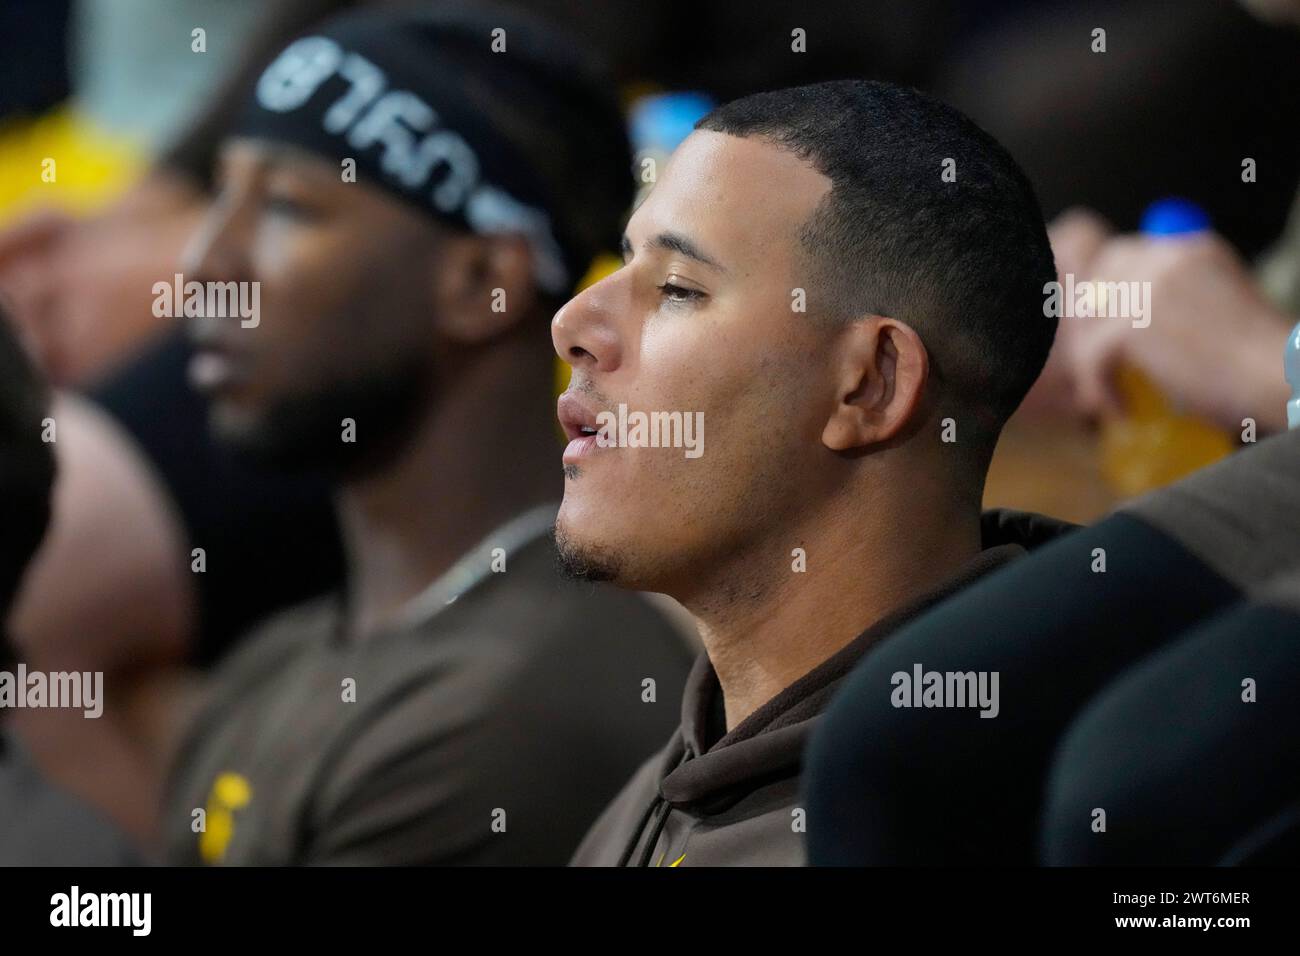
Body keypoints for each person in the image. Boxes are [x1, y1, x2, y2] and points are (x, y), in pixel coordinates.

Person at [154, 4, 693, 865]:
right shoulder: (280, 660)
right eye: (223, 195)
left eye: (287, 206)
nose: (206, 266)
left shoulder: (507, 715)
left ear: (482, 280)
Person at [557, 79, 1072, 866]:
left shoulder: (972, 822)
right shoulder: (668, 791)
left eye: (676, 289)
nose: (573, 326)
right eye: (626, 265)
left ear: (870, 383)